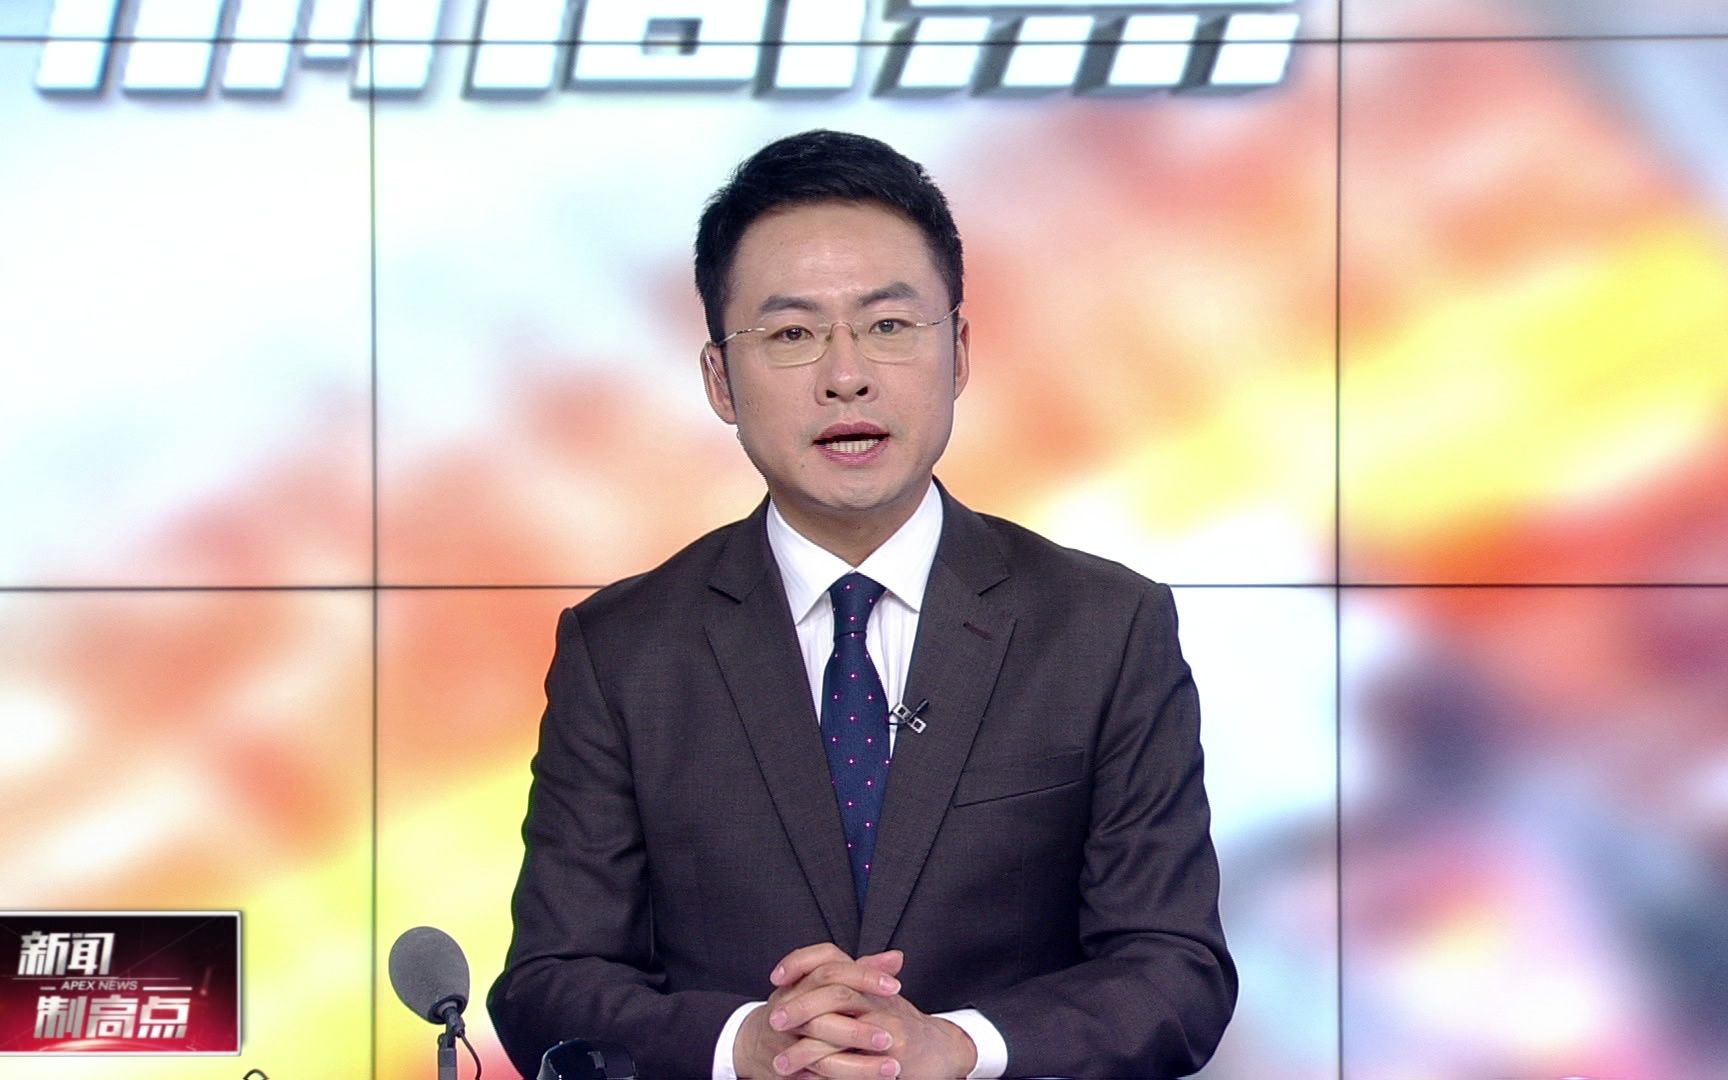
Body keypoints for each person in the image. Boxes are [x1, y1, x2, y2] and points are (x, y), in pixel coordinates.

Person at [488, 129, 1235, 1079]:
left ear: (957, 351)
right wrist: (747, 1043)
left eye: (888, 325)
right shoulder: (625, 652)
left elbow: (1175, 972)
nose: (847, 375)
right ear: (719, 379)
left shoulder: (1104, 627)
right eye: (792, 334)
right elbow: (550, 983)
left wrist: (954, 1046)